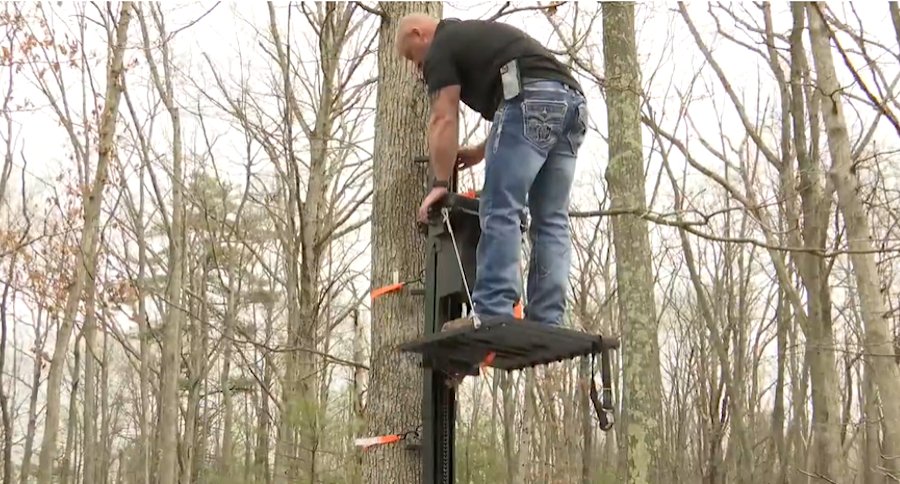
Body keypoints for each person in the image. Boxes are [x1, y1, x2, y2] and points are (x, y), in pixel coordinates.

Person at [395, 14, 587, 330]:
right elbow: (524, 114)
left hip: (531, 97)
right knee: (551, 218)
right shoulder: (473, 38)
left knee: (500, 206)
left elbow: (444, 117)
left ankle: (492, 310)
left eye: (411, 55)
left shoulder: (441, 45)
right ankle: (548, 319)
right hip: (572, 104)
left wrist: (440, 183)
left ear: (420, 34)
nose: (415, 66)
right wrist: (481, 151)